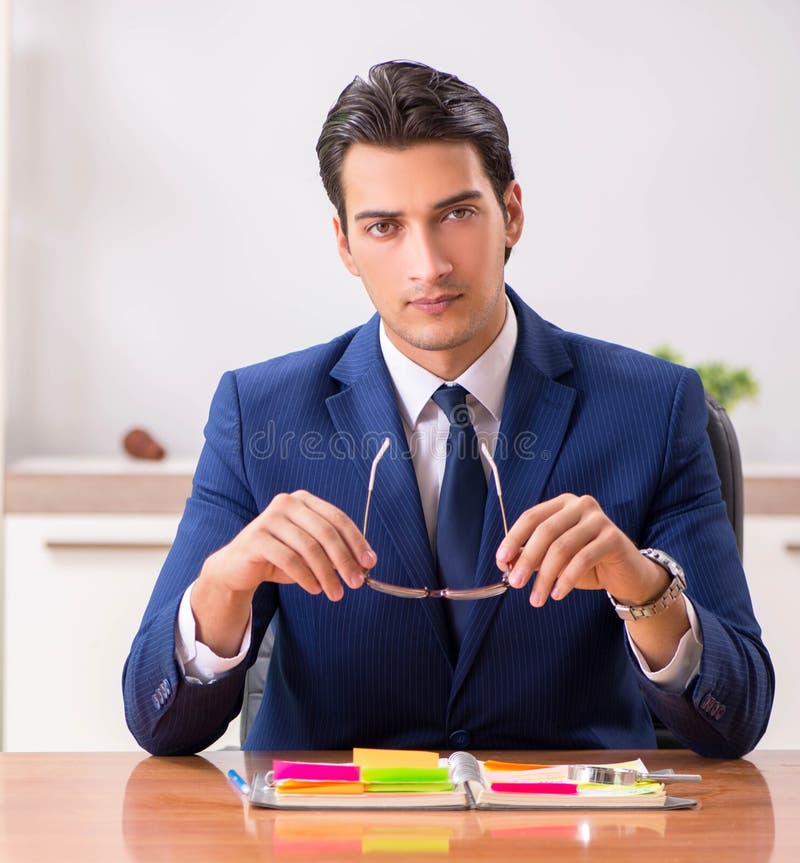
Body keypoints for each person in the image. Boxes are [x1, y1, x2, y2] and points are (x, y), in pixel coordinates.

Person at [123, 61, 773, 758]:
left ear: (511, 214)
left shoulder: (652, 407)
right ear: (344, 244)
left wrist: (643, 587)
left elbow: (734, 720)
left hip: (572, 830)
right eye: (383, 227)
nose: (427, 263)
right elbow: (159, 723)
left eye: (456, 214)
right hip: (334, 832)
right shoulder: (261, 413)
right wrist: (224, 583)